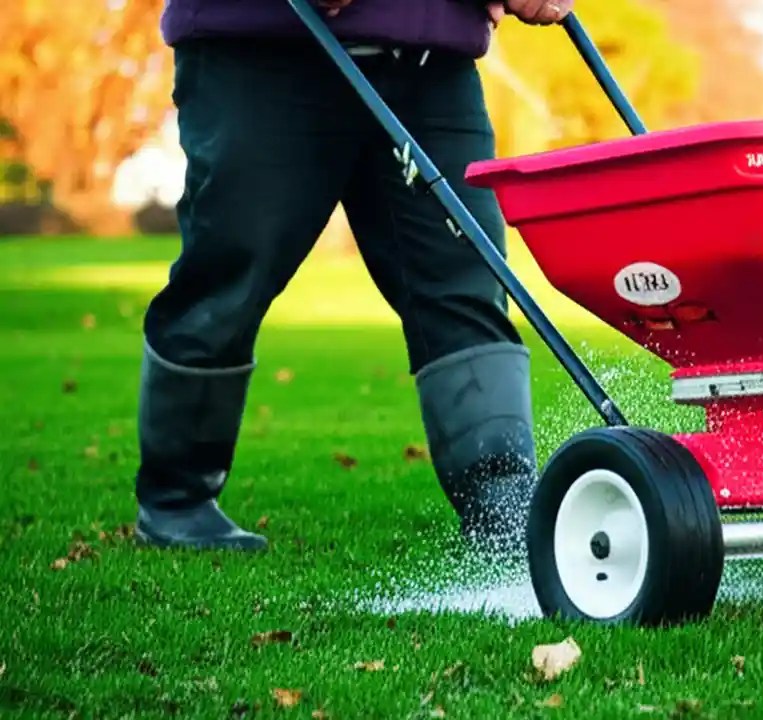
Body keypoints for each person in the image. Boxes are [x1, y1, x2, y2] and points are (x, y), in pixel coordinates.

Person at [133, 0, 573, 553]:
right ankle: (177, 501)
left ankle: (503, 507)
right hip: (264, 49)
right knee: (229, 271)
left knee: (466, 277)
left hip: (430, 61)